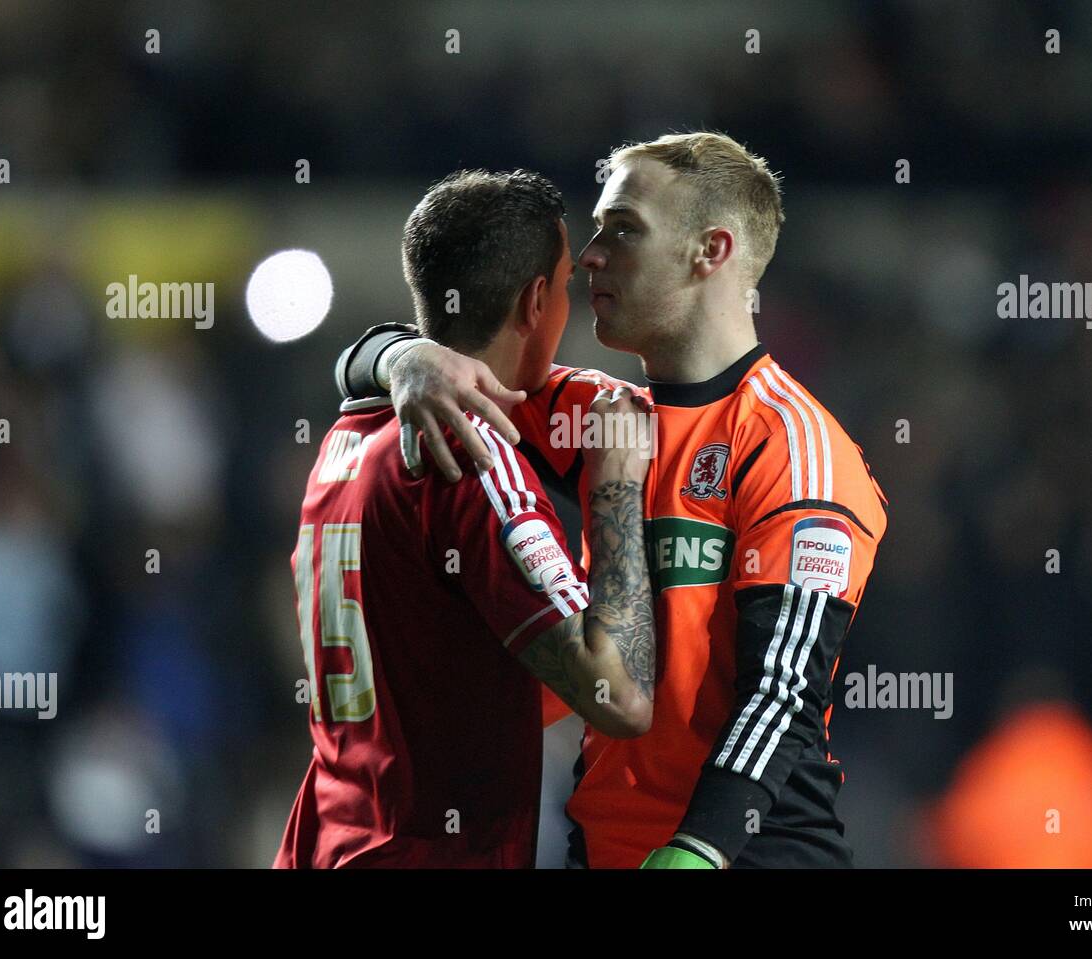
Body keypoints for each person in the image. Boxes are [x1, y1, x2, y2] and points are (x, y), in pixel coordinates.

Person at [336, 133, 888, 868]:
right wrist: (398, 358)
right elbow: (414, 368)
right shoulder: (597, 413)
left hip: (747, 853)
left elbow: (781, 695)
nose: (589, 254)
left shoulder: (795, 448)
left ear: (710, 251)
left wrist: (698, 850)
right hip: (597, 847)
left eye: (622, 228)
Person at [274, 169, 655, 869]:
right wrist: (618, 486)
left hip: (324, 845)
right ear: (535, 299)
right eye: (567, 286)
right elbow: (620, 697)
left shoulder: (347, 439)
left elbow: (461, 679)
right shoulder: (472, 457)